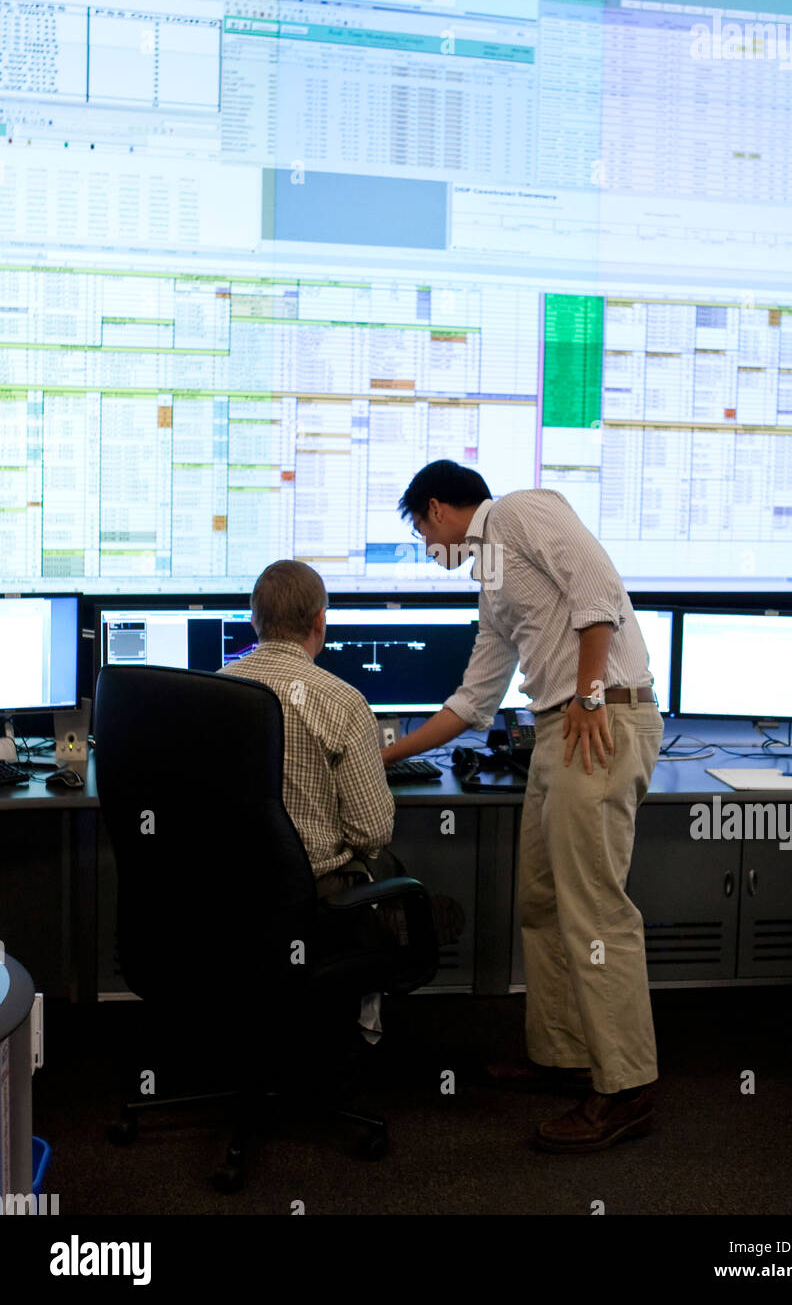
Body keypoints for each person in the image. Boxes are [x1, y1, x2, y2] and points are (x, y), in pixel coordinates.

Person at [382, 460, 664, 1152]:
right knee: (541, 901)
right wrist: (379, 756)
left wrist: (591, 692)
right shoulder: (492, 582)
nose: (425, 546)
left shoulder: (516, 512)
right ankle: (566, 1055)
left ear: (440, 507)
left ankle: (625, 1088)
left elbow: (596, 587)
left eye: (421, 529)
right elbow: (473, 702)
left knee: (594, 906)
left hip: (596, 720)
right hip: (555, 729)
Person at [220, 559, 401, 1042]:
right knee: (389, 864)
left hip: (219, 889)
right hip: (309, 894)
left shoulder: (208, 692)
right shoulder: (341, 701)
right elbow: (372, 831)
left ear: (253, 619)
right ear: (320, 621)